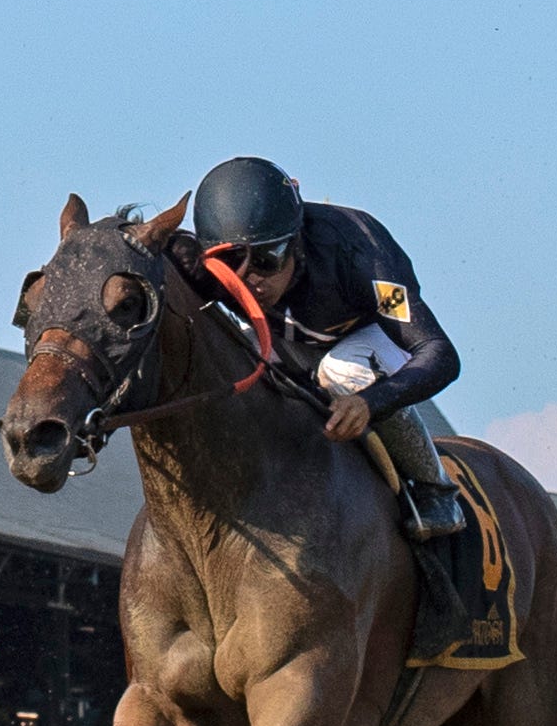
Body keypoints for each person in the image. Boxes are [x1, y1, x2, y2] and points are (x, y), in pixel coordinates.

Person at [191, 156, 464, 538]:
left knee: (341, 372)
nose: (249, 278)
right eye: (230, 260)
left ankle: (435, 488)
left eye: (268, 258)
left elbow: (440, 354)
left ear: (297, 239)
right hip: (292, 342)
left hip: (372, 337)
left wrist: (370, 402)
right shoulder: (201, 265)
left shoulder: (361, 259)